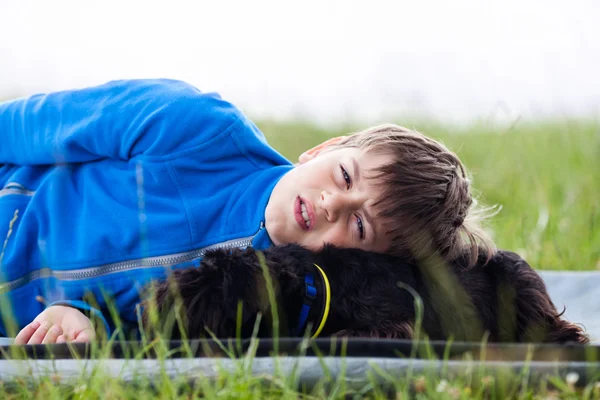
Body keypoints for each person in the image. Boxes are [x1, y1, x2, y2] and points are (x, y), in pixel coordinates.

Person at [0, 79, 494, 345]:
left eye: (358, 225)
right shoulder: (192, 125)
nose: (331, 204)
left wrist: (88, 321)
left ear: (363, 260)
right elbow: (25, 125)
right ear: (326, 148)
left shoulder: (260, 307)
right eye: (345, 177)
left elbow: (147, 329)